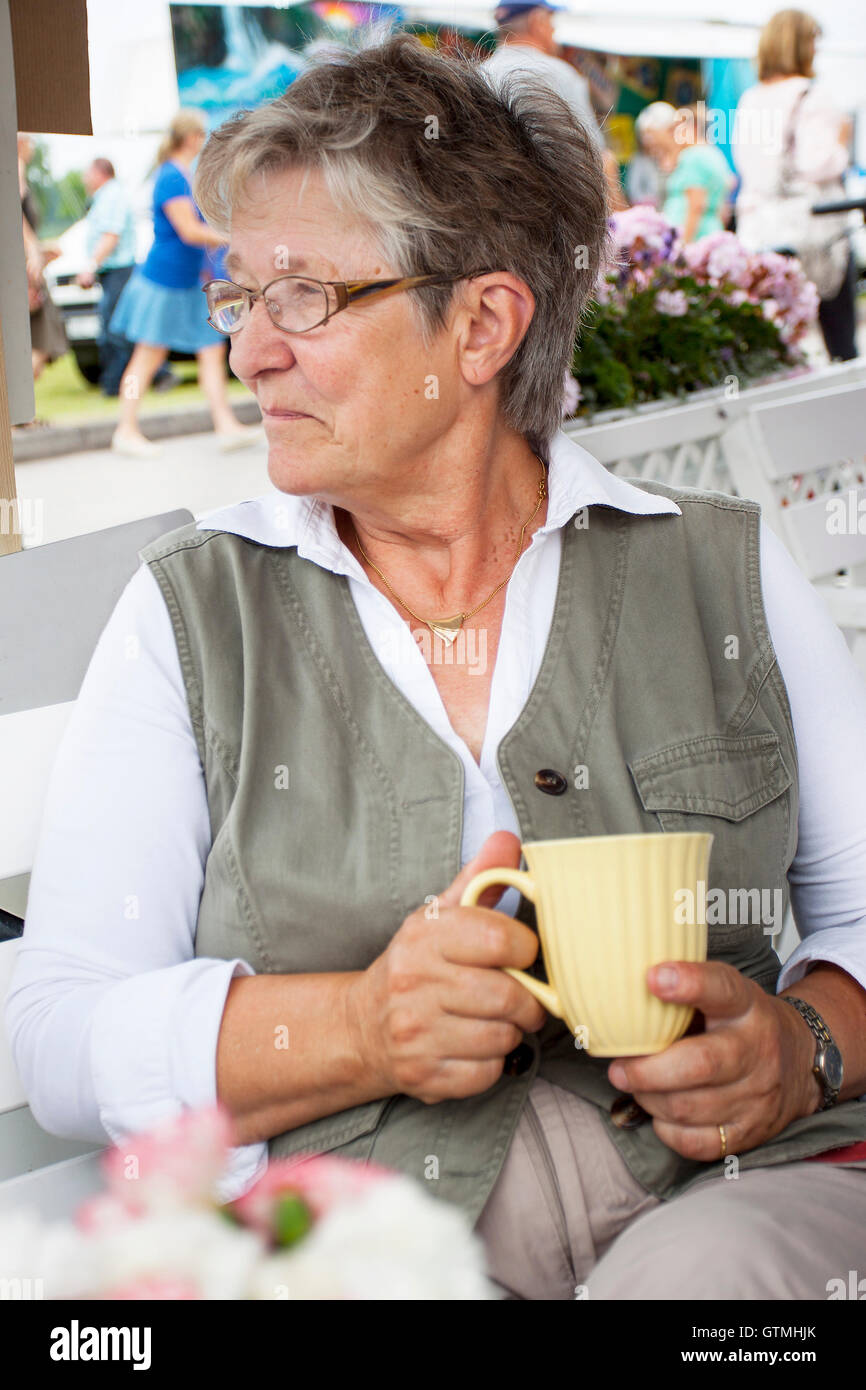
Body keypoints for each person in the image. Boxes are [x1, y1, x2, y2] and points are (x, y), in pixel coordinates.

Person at [8, 33, 866, 1302]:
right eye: (241, 299)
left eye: (301, 296)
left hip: (724, 1192)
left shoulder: (716, 570)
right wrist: (360, 1026)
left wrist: (801, 1049)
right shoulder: (193, 612)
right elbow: (57, 1020)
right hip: (367, 1234)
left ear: (479, 324)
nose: (248, 353)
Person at [107, 110, 261, 458]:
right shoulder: (171, 178)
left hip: (190, 282)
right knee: (147, 357)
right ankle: (125, 429)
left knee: (211, 349)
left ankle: (225, 426)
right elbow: (188, 231)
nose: (203, 139)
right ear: (190, 137)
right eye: (201, 133)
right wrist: (229, 237)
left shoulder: (182, 175)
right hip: (163, 283)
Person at [731, 8, 858, 362]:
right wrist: (842, 143)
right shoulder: (811, 96)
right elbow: (816, 162)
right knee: (840, 340)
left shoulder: (750, 98)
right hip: (815, 232)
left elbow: (747, 164)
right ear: (800, 45)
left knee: (776, 343)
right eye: (813, 41)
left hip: (762, 231)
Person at [483, 2, 626, 212]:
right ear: (537, 22)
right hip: (548, 218)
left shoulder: (477, 75)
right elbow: (597, 160)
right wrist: (622, 221)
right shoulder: (559, 75)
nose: (554, 30)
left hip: (491, 216)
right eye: (551, 21)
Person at [76, 158, 179, 398]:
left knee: (119, 328)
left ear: (100, 173)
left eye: (87, 173)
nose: (84, 179)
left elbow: (111, 235)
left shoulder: (111, 196)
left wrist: (90, 266)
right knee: (118, 328)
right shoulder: (104, 196)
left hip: (119, 272)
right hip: (113, 273)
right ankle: (118, 384)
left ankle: (153, 374)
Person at [637, 101, 735, 241]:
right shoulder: (712, 154)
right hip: (708, 234)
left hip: (694, 239)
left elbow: (696, 206)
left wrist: (684, 244)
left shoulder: (693, 156)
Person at [18, 133, 68, 386]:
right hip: (26, 266)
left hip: (25, 261)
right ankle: (18, 408)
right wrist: (33, 251)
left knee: (36, 338)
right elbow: (13, 213)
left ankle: (20, 409)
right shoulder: (14, 166)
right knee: (41, 337)